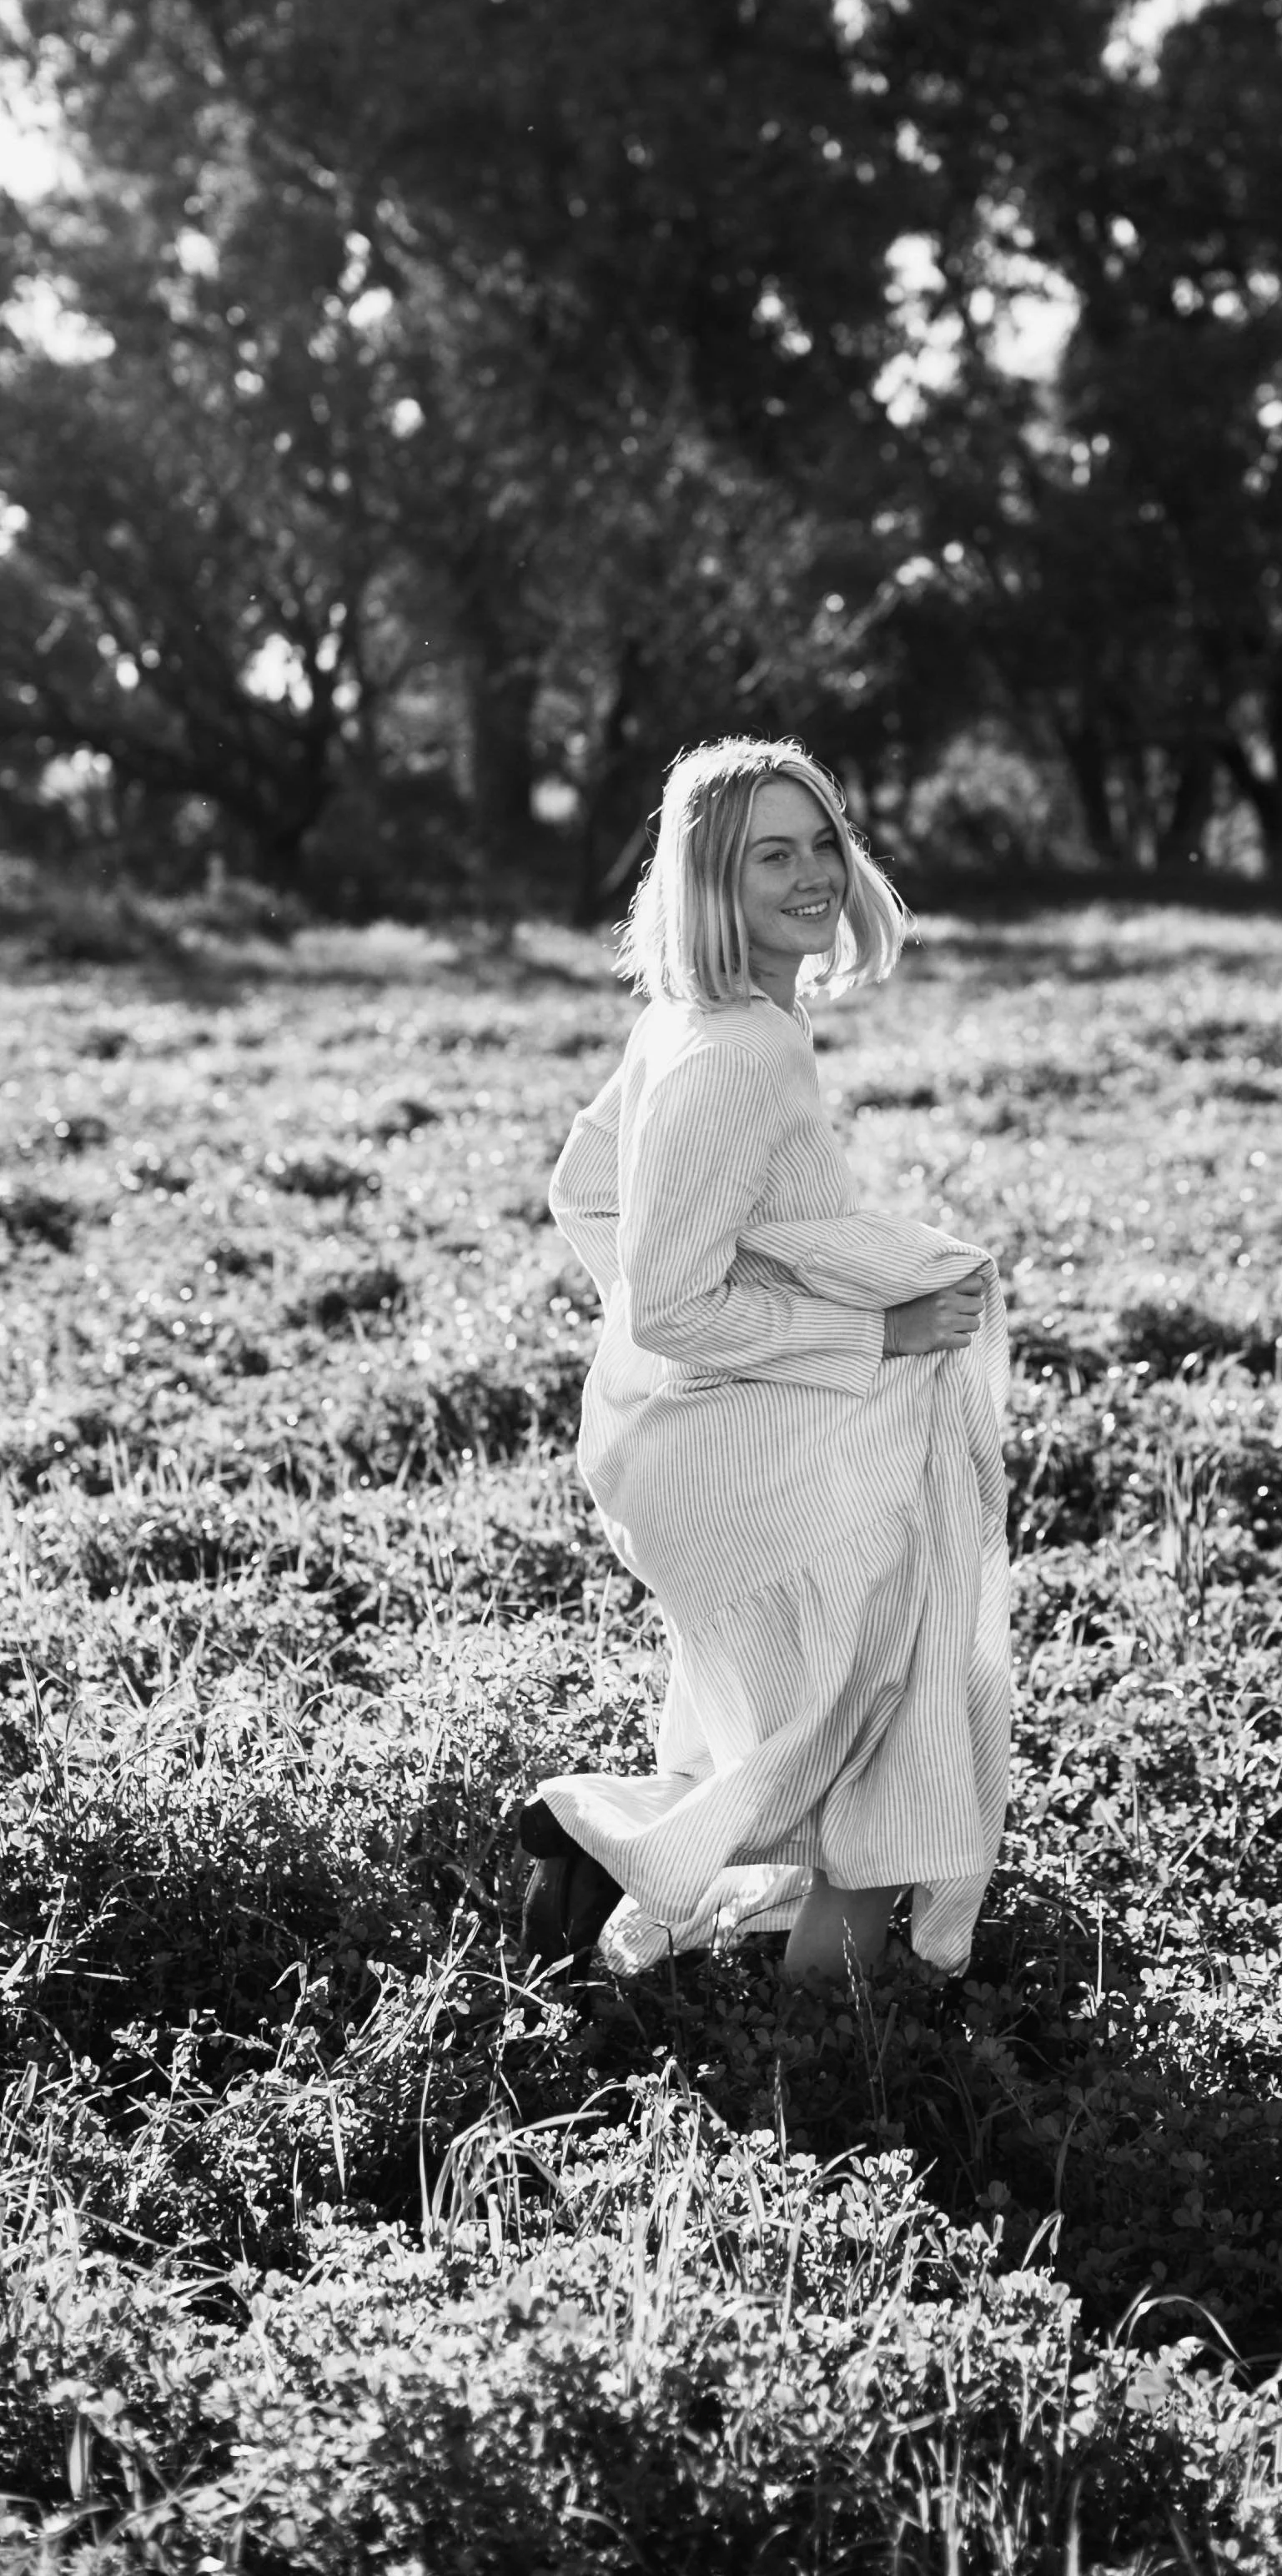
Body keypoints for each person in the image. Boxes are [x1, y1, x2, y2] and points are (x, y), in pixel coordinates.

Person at [523, 736, 1011, 1985]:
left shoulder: (696, 1019)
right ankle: (821, 2062)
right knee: (872, 1714)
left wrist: (772, 1283)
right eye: (767, 856)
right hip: (735, 1453)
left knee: (832, 1710)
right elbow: (675, 1302)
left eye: (822, 844)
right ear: (707, 885)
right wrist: (867, 1326)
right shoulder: (738, 1049)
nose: (811, 877)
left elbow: (584, 1193)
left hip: (697, 1442)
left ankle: (668, 1903)